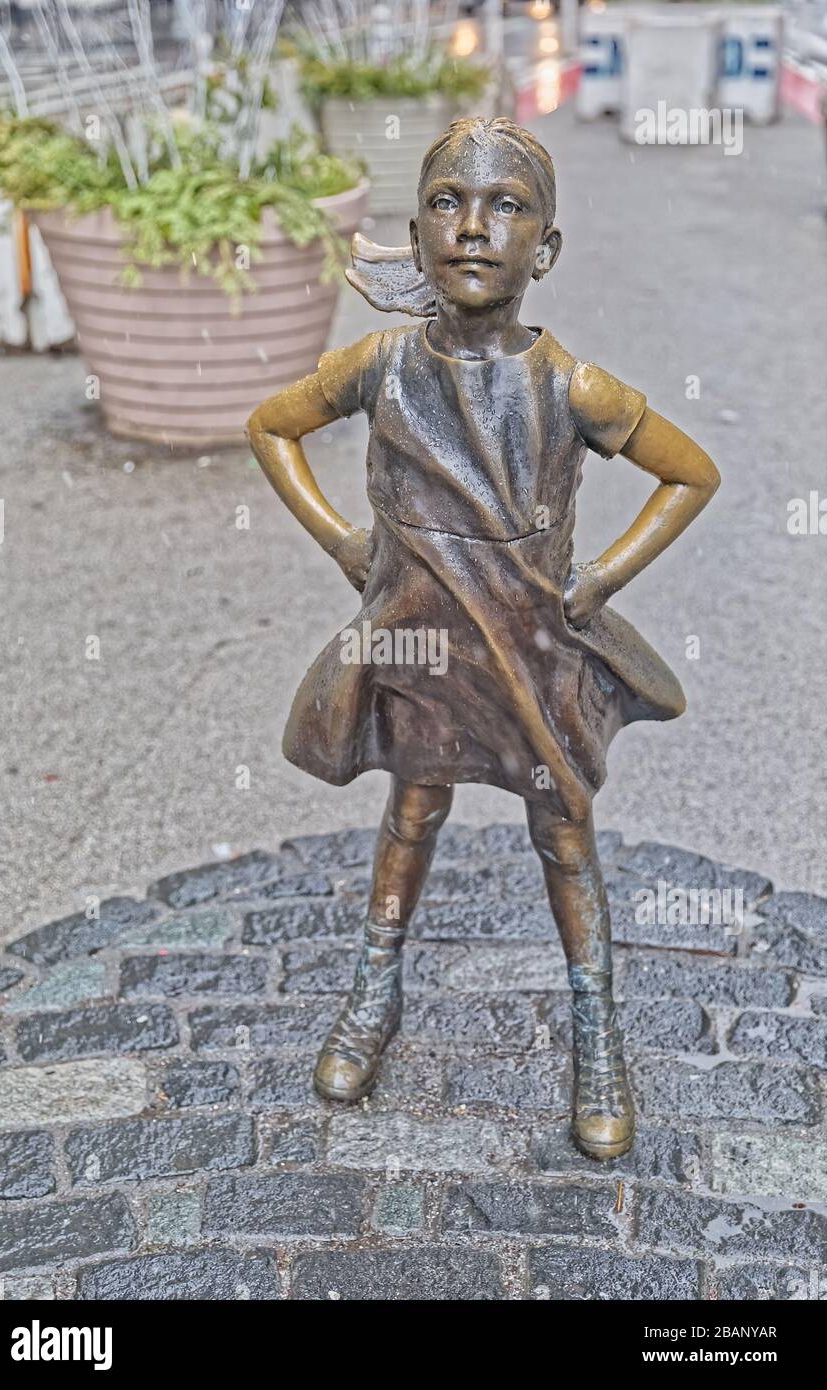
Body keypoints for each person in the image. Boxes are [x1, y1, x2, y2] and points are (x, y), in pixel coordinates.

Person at [246, 116, 719, 1160]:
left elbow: (689, 475)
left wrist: (597, 580)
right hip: (415, 646)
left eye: (504, 207)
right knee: (412, 809)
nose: (472, 227)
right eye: (448, 204)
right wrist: (340, 542)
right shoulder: (379, 365)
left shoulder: (572, 387)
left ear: (542, 249)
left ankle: (594, 1027)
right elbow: (269, 426)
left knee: (562, 831)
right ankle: (376, 983)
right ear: (414, 236)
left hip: (531, 652)